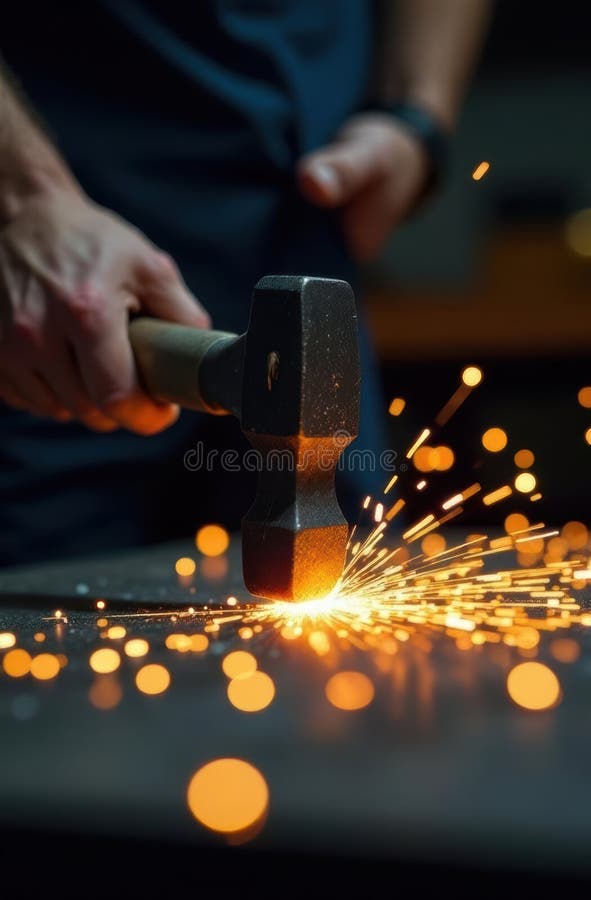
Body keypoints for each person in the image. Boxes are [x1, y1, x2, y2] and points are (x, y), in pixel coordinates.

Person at [0, 1, 490, 566]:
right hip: (63, 260)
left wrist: (417, 114)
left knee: (349, 602)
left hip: (308, 220)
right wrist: (22, 197)